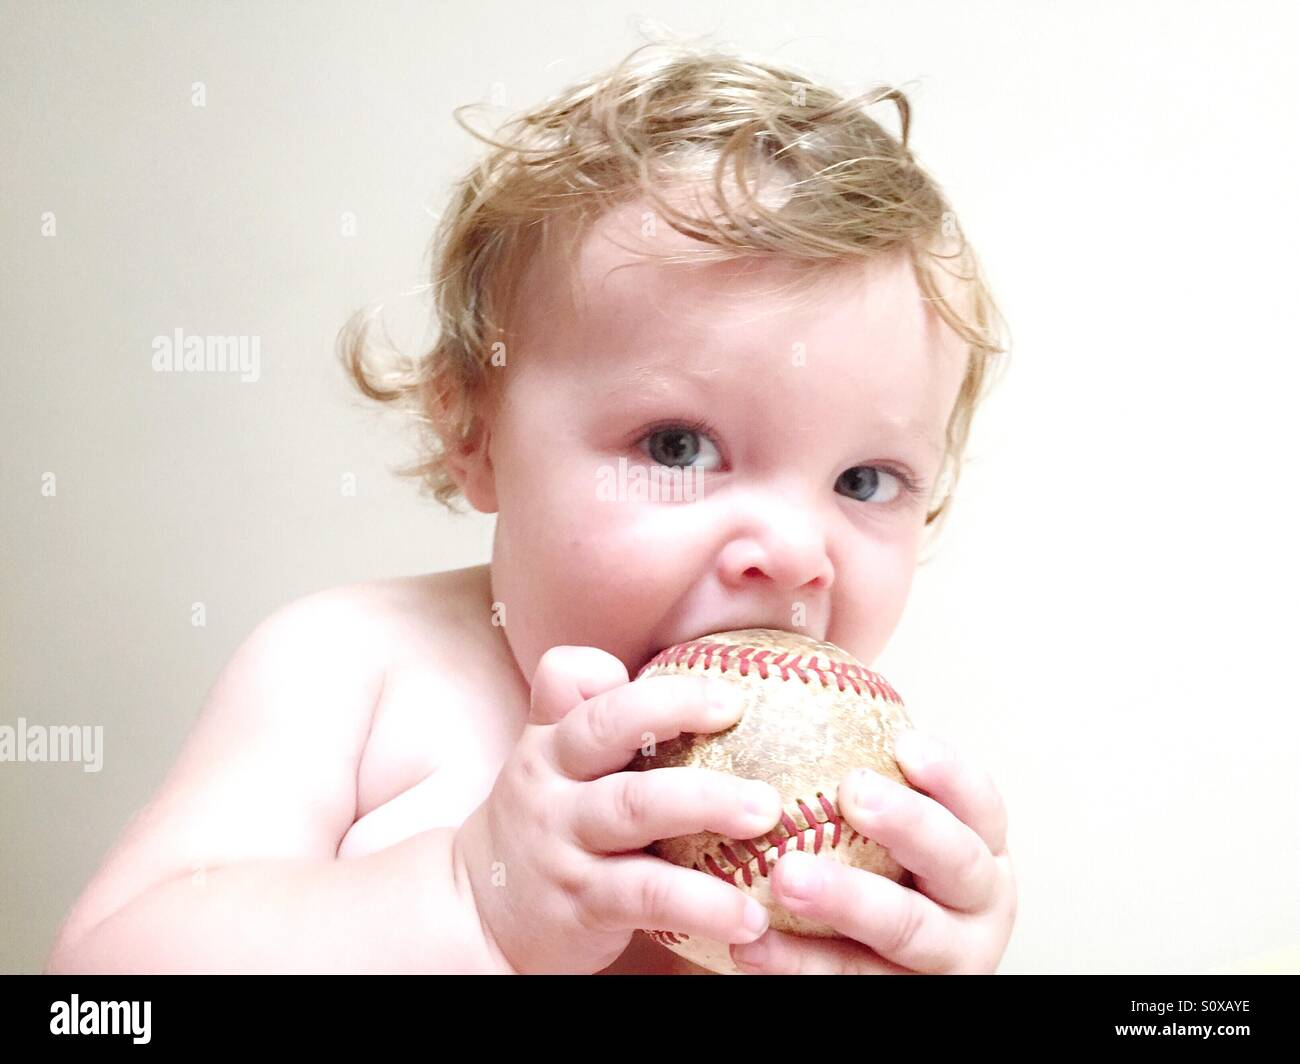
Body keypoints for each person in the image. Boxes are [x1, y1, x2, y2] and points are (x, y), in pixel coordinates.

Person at [45, 38, 1017, 975]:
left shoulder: (857, 793)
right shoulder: (356, 670)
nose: (796, 550)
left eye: (863, 481)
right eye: (677, 446)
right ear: (474, 432)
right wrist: (473, 903)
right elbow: (101, 977)